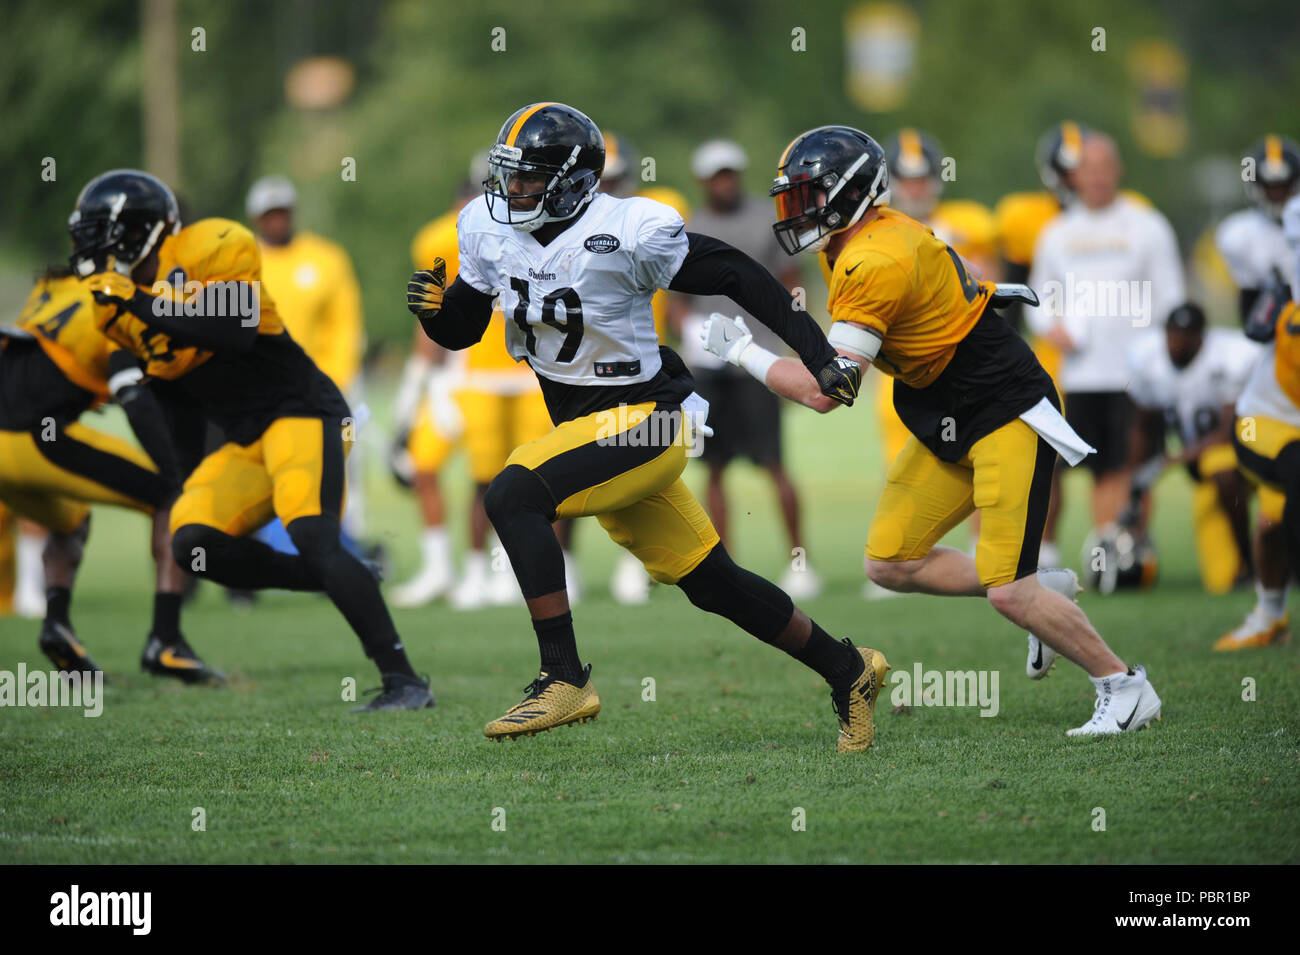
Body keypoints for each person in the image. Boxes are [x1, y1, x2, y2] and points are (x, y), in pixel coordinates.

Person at [409, 102, 887, 752]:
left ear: (572, 179)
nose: (512, 190)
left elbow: (739, 274)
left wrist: (819, 353)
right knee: (711, 581)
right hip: (587, 427)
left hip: (646, 420)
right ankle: (849, 669)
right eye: (508, 175)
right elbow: (463, 326)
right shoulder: (488, 229)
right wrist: (437, 315)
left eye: (528, 177)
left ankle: (563, 675)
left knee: (511, 492)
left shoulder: (627, 227)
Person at [702, 124, 1162, 735]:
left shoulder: (874, 256)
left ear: (850, 194)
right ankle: (1043, 588)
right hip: (946, 413)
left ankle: (1124, 685)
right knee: (890, 561)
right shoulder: (861, 239)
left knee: (1007, 591)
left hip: (1002, 409)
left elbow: (828, 390)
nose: (797, 211)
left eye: (808, 196)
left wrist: (743, 354)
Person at [76, 169, 433, 711]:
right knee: (191, 544)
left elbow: (233, 328)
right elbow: (168, 387)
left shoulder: (212, 244)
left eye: (107, 230)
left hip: (303, 412)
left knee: (312, 532)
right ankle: (330, 576)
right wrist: (183, 466)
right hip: (246, 440)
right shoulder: (111, 307)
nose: (96, 245)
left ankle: (404, 680)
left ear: (146, 228)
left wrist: (138, 301)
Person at [0, 254, 217, 680]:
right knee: (171, 494)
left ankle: (57, 623)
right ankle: (166, 641)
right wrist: (175, 469)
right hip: (35, 433)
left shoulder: (52, 289)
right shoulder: (112, 297)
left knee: (72, 520)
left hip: (13, 433)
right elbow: (128, 389)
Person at [395, 171, 568, 609]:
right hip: (475, 375)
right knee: (482, 480)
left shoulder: (536, 226)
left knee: (542, 478)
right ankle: (475, 569)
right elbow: (434, 314)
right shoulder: (445, 236)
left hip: (531, 370)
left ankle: (529, 570)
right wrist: (427, 384)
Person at [671, 138, 821, 599]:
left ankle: (800, 561)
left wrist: (799, 346)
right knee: (713, 470)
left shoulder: (766, 219)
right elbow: (675, 302)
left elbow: (793, 286)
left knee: (775, 464)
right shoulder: (687, 228)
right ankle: (726, 562)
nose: (725, 181)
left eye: (730, 172)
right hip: (708, 363)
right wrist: (691, 331)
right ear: (703, 181)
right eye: (717, 175)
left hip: (761, 359)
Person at [1026, 131, 1185, 548]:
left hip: (1135, 375)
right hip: (1080, 376)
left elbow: (1172, 299)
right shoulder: (1057, 232)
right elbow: (1036, 299)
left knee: (1128, 465)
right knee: (1063, 464)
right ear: (1075, 175)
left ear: (1118, 170)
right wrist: (1050, 327)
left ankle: (1125, 548)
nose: (1096, 177)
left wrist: (1161, 360)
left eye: (1104, 168)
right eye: (1088, 169)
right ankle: (1051, 552)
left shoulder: (1147, 225)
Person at [247, 176, 371, 553]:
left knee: (341, 465)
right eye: (269, 214)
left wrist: (336, 380)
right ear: (256, 219)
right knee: (261, 471)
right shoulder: (243, 261)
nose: (277, 221)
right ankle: (261, 551)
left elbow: (345, 325)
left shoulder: (325, 257)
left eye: (283, 212)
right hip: (262, 388)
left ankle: (346, 546)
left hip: (323, 386)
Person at [1215, 135, 1300, 647]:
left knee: (1273, 520)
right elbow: (1258, 321)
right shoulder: (1247, 242)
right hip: (1269, 413)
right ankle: (1270, 613)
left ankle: (1269, 614)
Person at [1126, 303, 1261, 593]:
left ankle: (1251, 564)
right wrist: (1136, 477)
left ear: (1201, 337)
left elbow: (1230, 431)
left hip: (1251, 448)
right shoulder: (1150, 362)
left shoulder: (1231, 357)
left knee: (1219, 465)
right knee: (1220, 582)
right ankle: (1245, 568)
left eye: (1184, 336)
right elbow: (1143, 424)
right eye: (1172, 335)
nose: (1176, 343)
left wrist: (1169, 460)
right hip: (1202, 471)